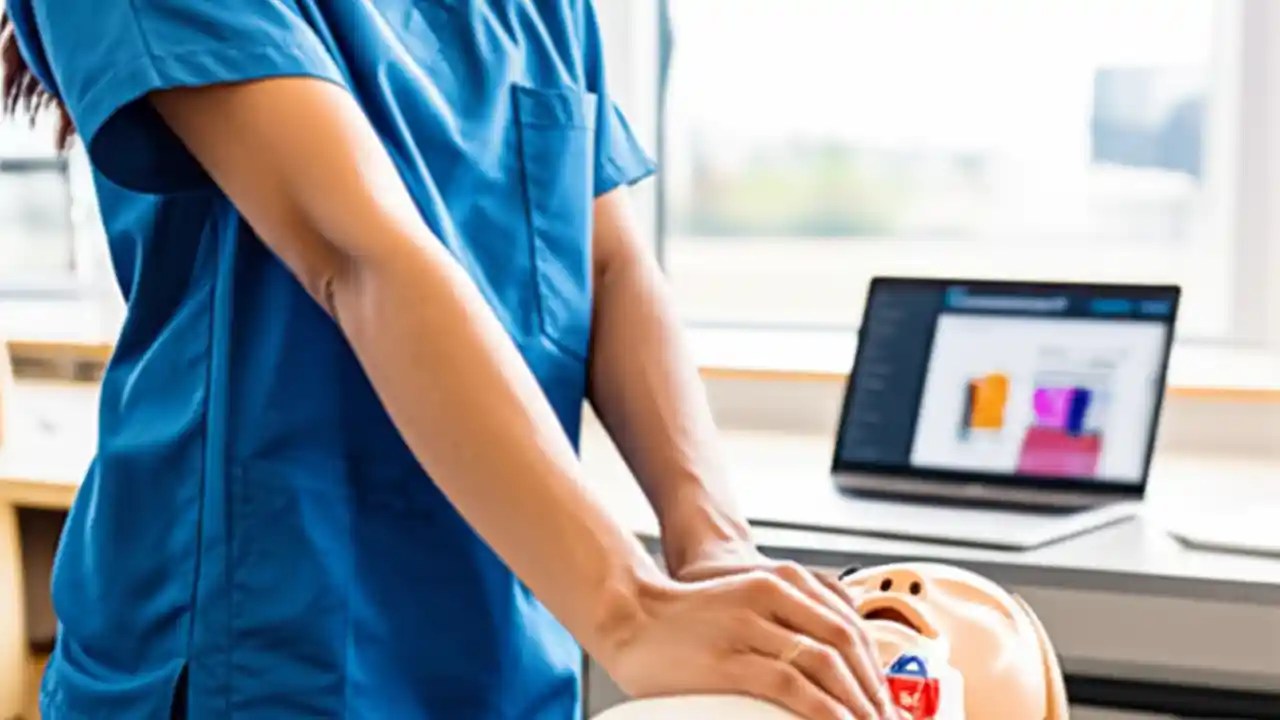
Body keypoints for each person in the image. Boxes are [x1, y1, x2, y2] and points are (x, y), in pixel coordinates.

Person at [1, 2, 897, 719]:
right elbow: (355, 251)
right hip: (268, 648)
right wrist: (630, 607)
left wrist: (713, 548)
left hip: (509, 644)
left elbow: (611, 260)